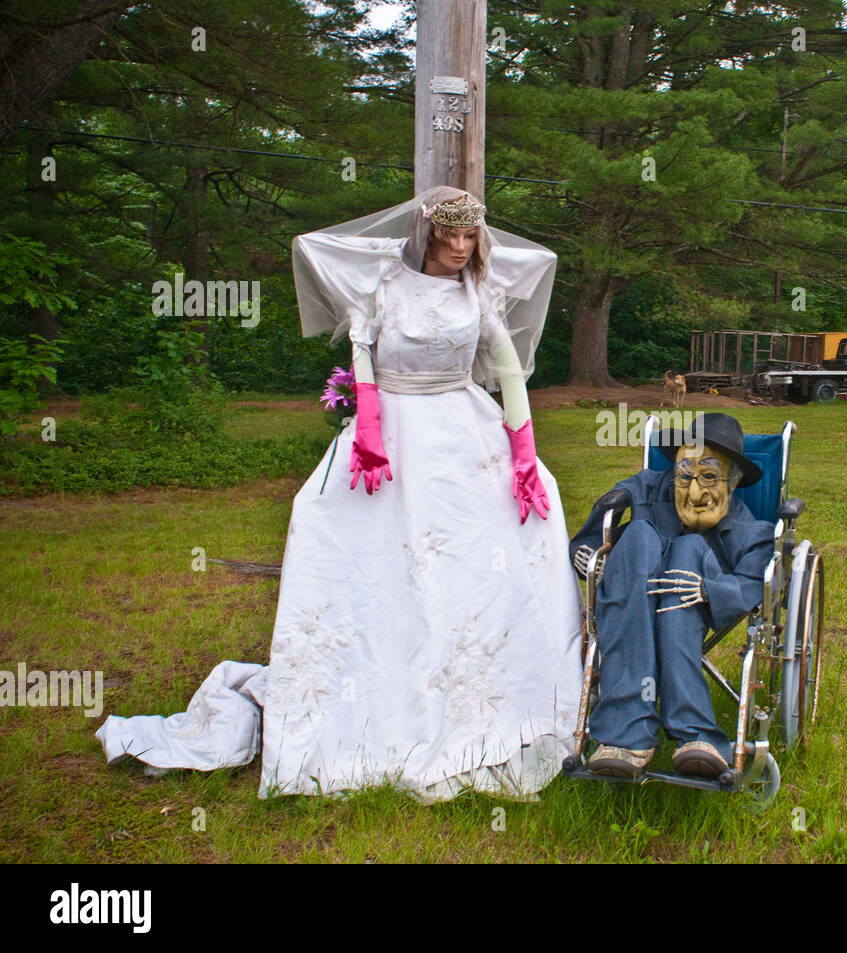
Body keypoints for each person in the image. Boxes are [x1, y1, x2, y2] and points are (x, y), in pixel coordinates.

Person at [96, 187, 583, 803]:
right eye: (449, 236)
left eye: (469, 238)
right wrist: (370, 432)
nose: (460, 249)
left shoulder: (478, 293)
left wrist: (522, 454)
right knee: (353, 540)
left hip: (465, 426)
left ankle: (491, 691)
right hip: (392, 436)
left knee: (486, 554)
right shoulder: (380, 286)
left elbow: (508, 370)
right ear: (428, 235)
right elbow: (364, 360)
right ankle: (372, 693)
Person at [568, 413, 773, 779]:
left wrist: (710, 590)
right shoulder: (651, 487)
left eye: (710, 476)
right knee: (638, 536)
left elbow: (757, 581)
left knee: (689, 548)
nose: (694, 492)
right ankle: (631, 731)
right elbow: (605, 513)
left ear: (736, 479)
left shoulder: (751, 531)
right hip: (637, 590)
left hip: (692, 597)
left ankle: (689, 731)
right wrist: (588, 552)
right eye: (684, 476)